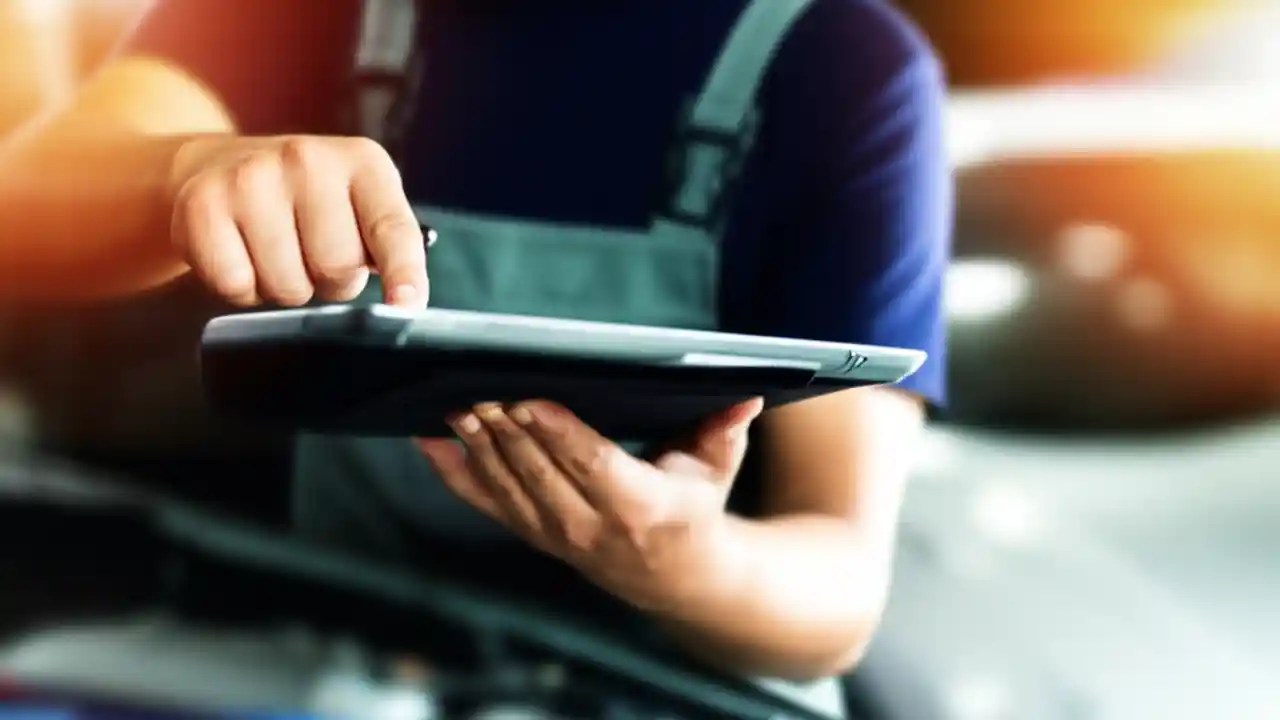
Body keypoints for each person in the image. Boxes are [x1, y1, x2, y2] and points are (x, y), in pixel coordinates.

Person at [0, 0, 950, 687]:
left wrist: (684, 563)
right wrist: (184, 168)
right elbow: (20, 211)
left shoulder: (847, 69)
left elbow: (837, 601)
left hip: (672, 692)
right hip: (351, 678)